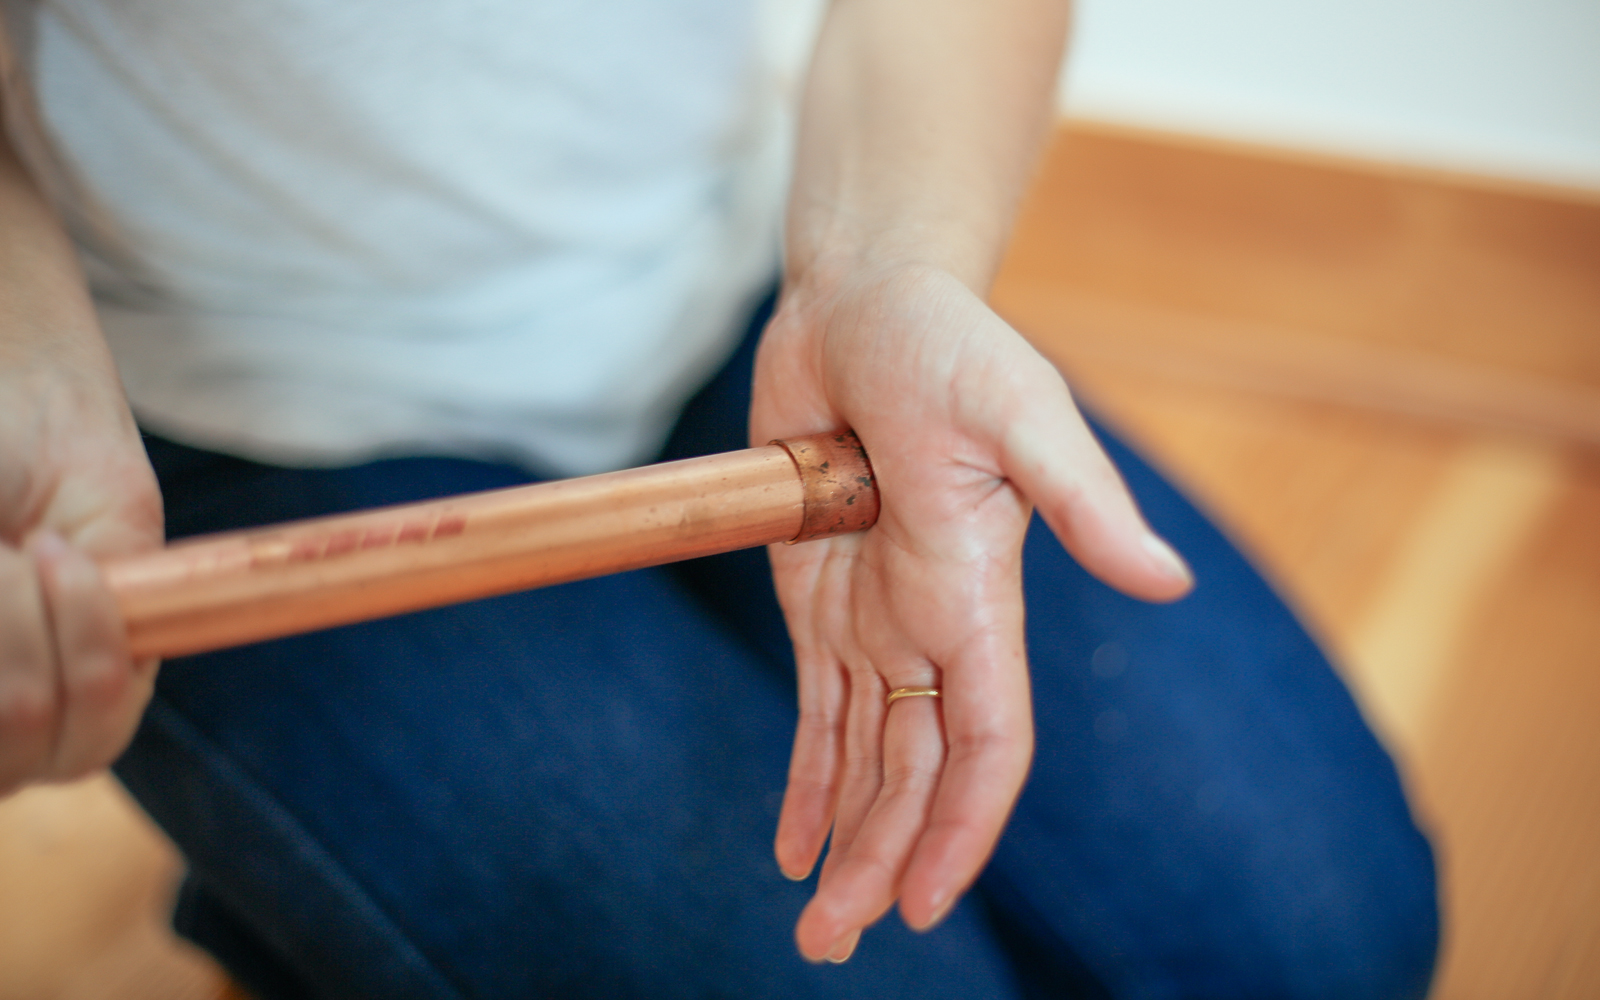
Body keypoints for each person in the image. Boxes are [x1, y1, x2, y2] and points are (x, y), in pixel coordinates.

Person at [0, 1, 1438, 996]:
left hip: (768, 303)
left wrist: (882, 270)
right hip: (227, 419)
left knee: (1324, 943)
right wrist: (43, 411)